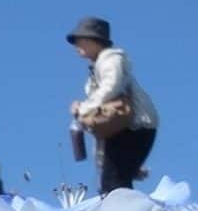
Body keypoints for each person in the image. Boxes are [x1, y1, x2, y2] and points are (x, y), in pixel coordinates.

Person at [67, 17, 159, 194]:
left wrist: (84, 108)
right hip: (124, 129)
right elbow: (106, 124)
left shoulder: (111, 59)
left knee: (113, 184)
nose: (77, 46)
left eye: (81, 40)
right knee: (110, 181)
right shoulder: (96, 68)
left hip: (136, 125)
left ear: (95, 41)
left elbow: (112, 85)